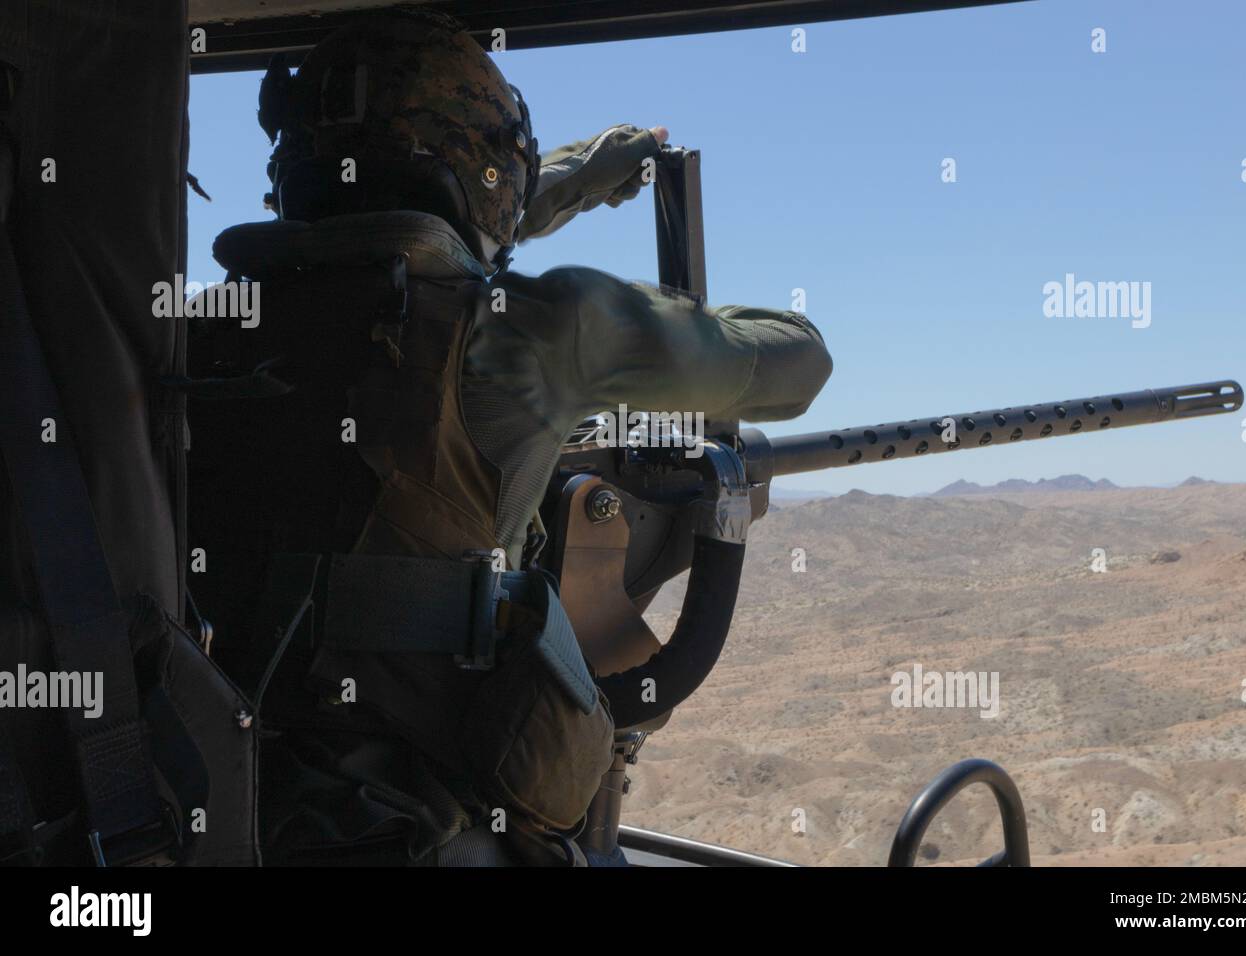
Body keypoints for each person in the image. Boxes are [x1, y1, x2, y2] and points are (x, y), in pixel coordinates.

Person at [186, 10, 832, 866]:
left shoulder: (202, 335)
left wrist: (581, 172)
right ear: (482, 171)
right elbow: (798, 363)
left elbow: (393, 232)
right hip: (431, 822)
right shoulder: (532, 333)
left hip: (221, 796)